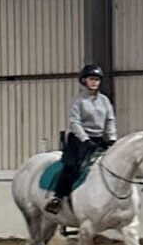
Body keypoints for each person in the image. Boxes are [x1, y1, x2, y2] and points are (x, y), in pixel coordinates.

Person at [48, 64, 115, 210]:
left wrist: (112, 138)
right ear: (84, 81)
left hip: (99, 139)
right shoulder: (78, 101)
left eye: (97, 79)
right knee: (71, 166)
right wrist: (85, 139)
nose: (95, 82)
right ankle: (58, 197)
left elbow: (110, 120)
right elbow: (75, 122)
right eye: (91, 79)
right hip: (79, 140)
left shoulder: (104, 100)